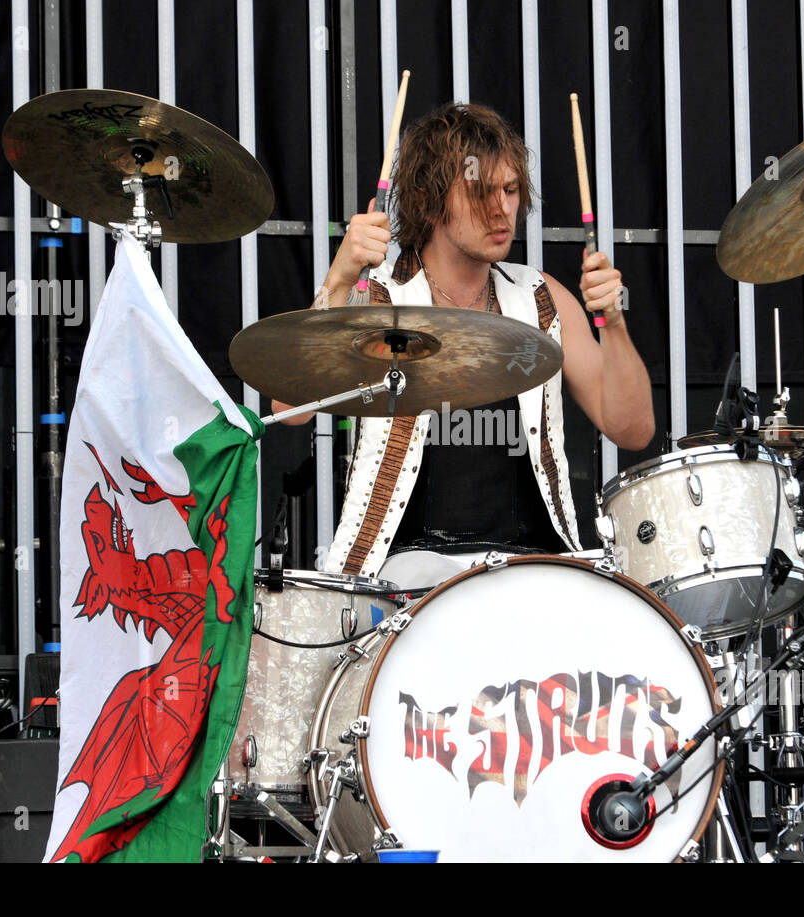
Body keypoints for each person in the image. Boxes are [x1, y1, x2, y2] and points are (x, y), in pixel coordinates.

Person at [276, 102, 653, 586]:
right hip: (405, 578)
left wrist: (614, 324)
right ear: (430, 199)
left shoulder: (542, 299)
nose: (502, 209)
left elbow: (632, 431)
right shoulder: (376, 295)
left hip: (534, 568)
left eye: (511, 190)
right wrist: (341, 274)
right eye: (480, 191)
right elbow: (290, 408)